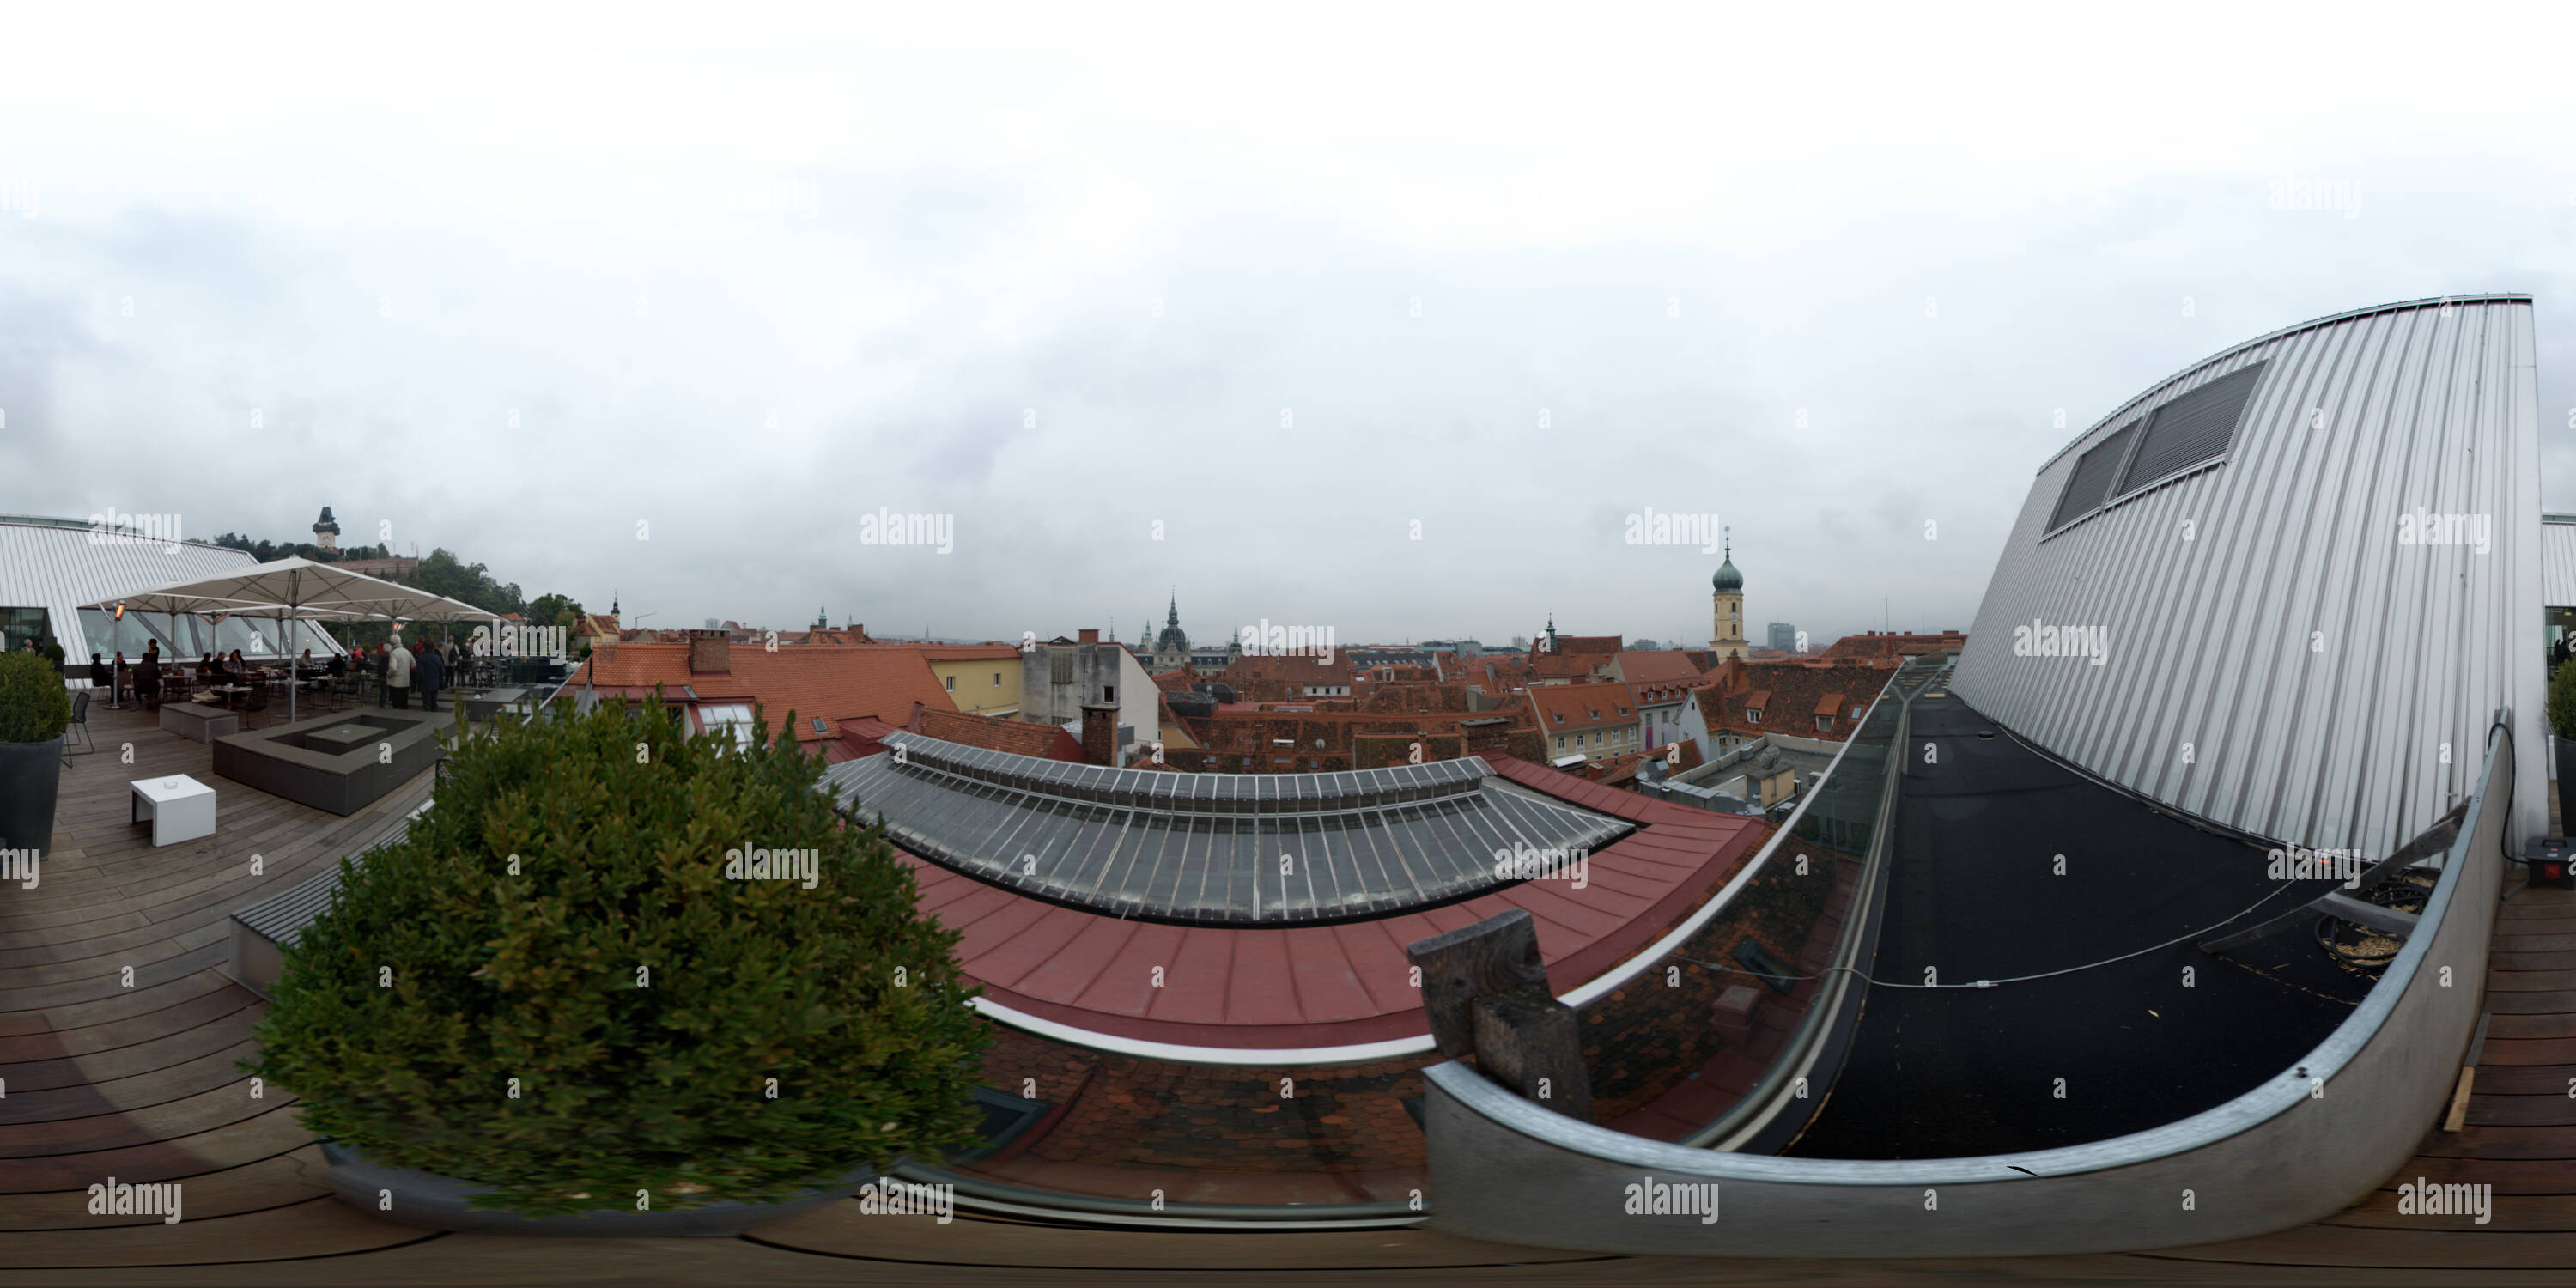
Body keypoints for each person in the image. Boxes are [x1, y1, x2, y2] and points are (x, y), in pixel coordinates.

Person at [385, 636, 415, 709]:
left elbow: (393, 668)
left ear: (392, 643)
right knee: (404, 704)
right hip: (406, 683)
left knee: (397, 705)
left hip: (396, 684)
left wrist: (388, 674)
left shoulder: (394, 653)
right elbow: (414, 664)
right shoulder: (407, 652)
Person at [418, 635, 446, 712]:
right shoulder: (437, 658)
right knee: (434, 704)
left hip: (425, 686)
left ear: (424, 647)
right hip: (435, 685)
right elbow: (442, 672)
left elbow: (420, 674)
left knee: (427, 705)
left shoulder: (421, 658)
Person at [137, 643, 162, 711]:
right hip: (152, 687)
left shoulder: (138, 667)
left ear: (142, 658)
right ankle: (152, 700)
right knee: (155, 685)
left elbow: (134, 679)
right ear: (149, 658)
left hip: (140, 688)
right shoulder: (154, 666)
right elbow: (159, 676)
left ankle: (142, 702)